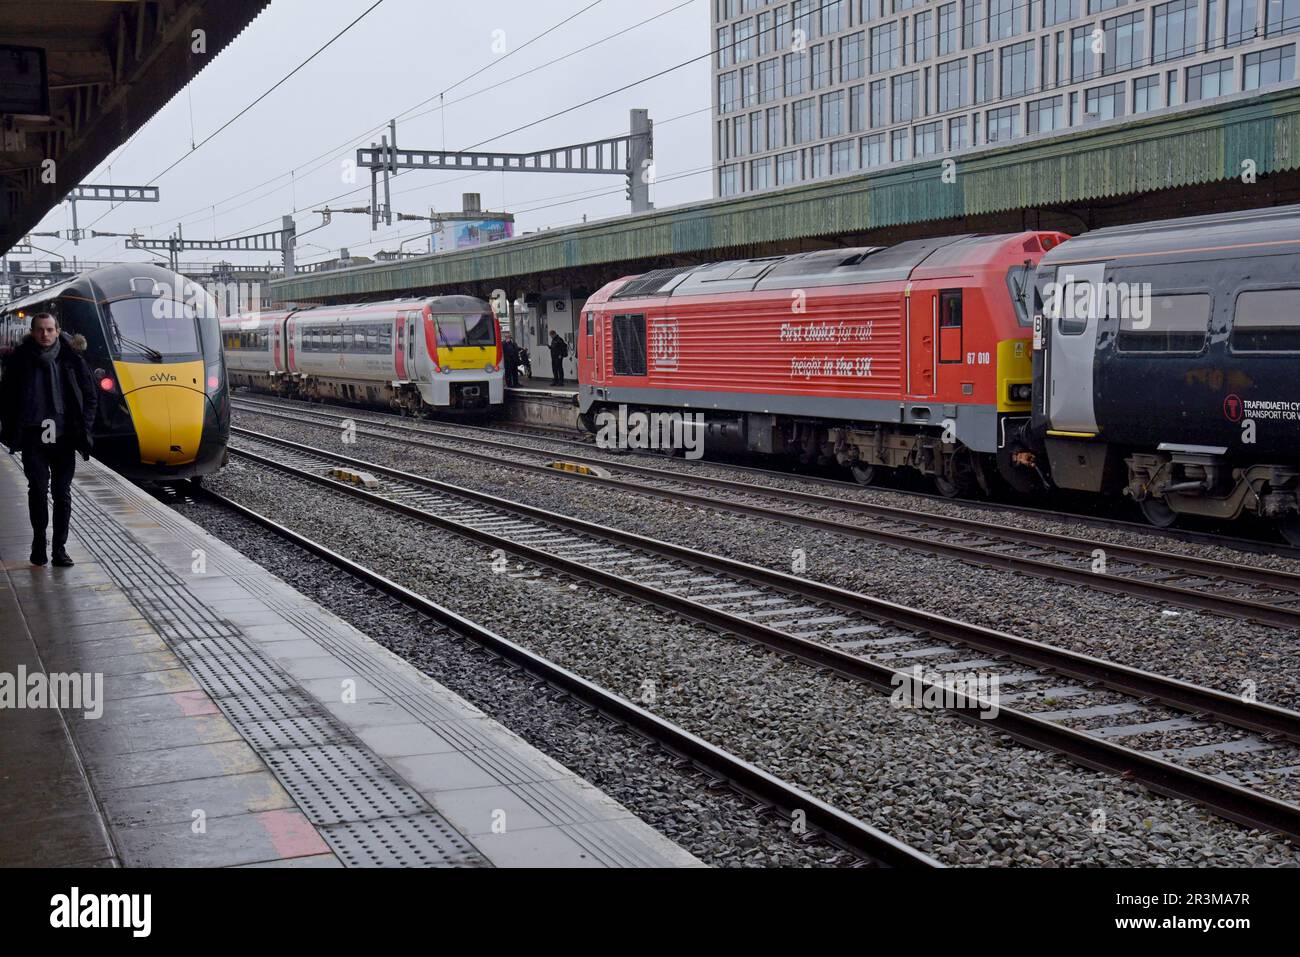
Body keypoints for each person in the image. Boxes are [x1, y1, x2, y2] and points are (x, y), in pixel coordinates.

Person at [0, 312, 97, 567]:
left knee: (62, 493)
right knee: (38, 491)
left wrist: (84, 428)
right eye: (40, 330)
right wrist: (11, 428)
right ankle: (39, 541)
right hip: (34, 436)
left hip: (64, 436)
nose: (45, 334)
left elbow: (90, 396)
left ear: (57, 331)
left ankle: (59, 548)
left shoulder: (72, 359)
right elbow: (6, 397)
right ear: (32, 332)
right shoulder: (20, 360)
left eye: (50, 330)